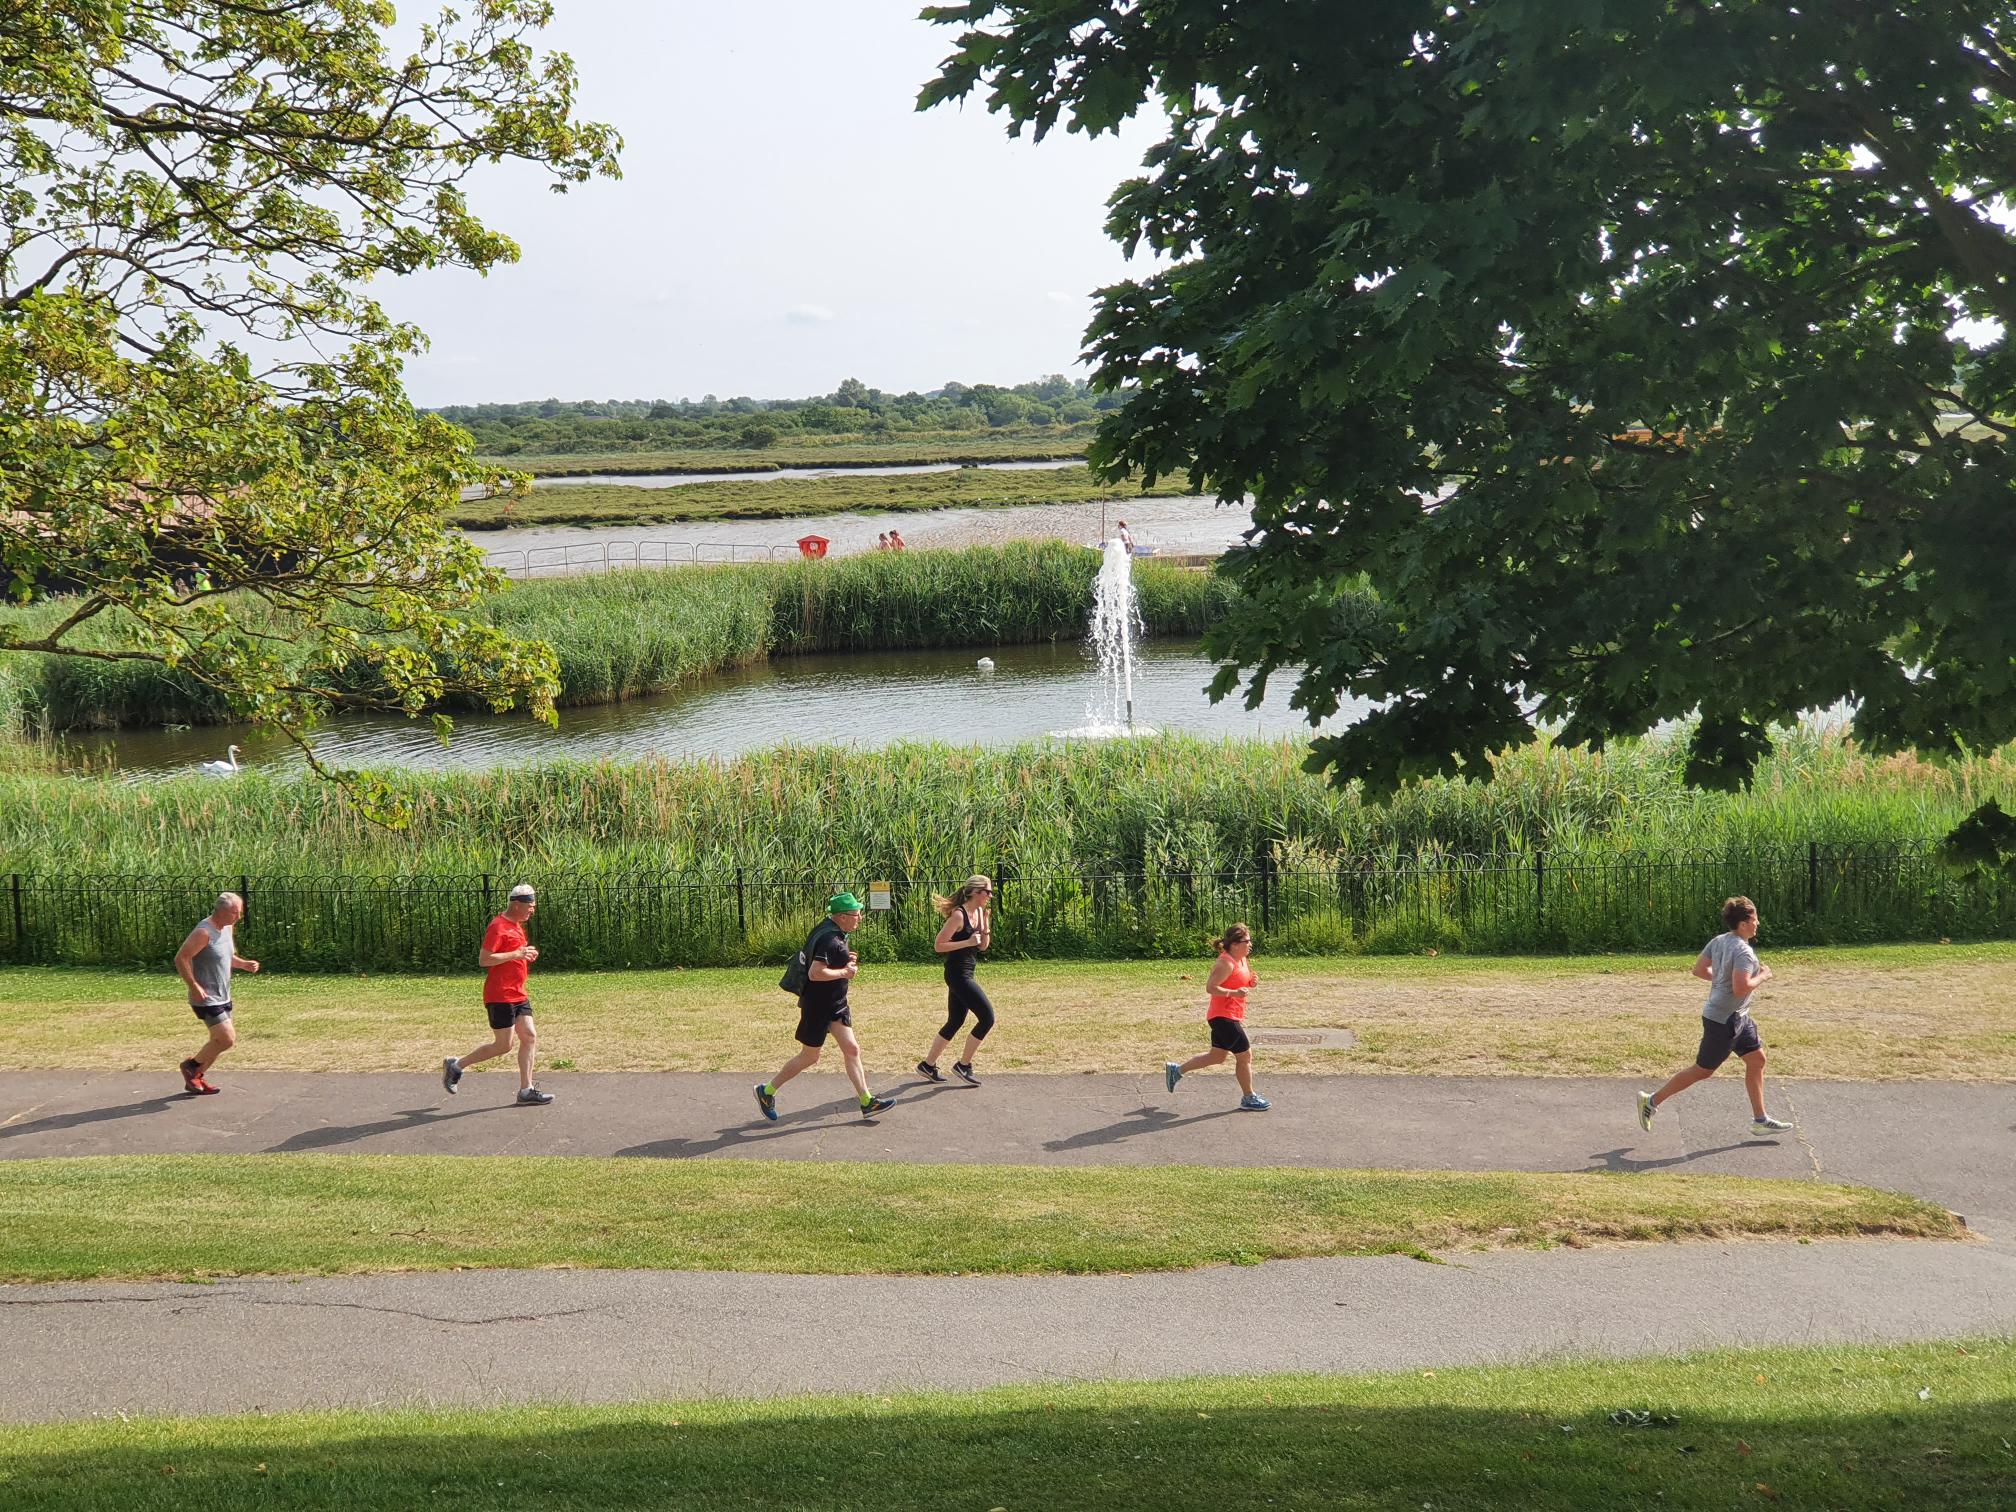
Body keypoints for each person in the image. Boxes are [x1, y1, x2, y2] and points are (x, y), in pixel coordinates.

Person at [1637, 896, 1793, 1137]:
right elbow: (1741, 987)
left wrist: (1722, 981)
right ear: (1743, 924)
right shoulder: (1744, 952)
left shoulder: (1720, 940)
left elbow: (1699, 969)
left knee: (1757, 1060)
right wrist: (1764, 975)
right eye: (1754, 919)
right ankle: (1652, 1101)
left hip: (1739, 1017)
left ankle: (1760, 1120)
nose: (1758, 923)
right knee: (1703, 1070)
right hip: (1724, 1021)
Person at [755, 892, 894, 1120]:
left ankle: (867, 1102)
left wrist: (844, 960)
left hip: (835, 1005)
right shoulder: (831, 939)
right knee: (810, 1057)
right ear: (841, 916)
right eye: (856, 914)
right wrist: (845, 971)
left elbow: (822, 960)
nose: (860, 917)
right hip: (818, 1007)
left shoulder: (829, 930)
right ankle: (766, 1091)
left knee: (852, 1049)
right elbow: (815, 972)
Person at [442, 882, 553, 1105]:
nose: (533, 909)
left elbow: (513, 955)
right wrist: (517, 953)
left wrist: (524, 955)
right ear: (516, 904)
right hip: (500, 995)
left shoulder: (516, 925)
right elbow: (484, 959)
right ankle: (456, 1065)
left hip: (518, 993)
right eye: (530, 905)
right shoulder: (498, 926)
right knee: (504, 1045)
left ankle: (526, 1090)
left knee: (529, 1036)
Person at [1164, 923, 1269, 1110]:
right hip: (1222, 1017)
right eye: (1247, 941)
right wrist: (1234, 993)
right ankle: (1249, 1097)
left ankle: (1176, 1070)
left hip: (1231, 1015)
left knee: (1217, 1056)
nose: (1250, 944)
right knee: (1245, 1056)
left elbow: (1242, 980)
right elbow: (1211, 988)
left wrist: (1252, 982)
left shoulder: (1242, 959)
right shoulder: (1225, 963)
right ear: (1235, 944)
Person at [173, 891, 258, 1094]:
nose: (238, 918)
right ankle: (191, 1068)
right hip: (205, 997)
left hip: (223, 994)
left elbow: (224, 957)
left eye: (240, 913)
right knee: (226, 1038)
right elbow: (181, 958)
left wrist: (244, 964)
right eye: (234, 913)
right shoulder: (203, 932)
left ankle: (196, 1076)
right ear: (220, 911)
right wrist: (194, 986)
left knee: (218, 1041)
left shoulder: (227, 927)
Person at [916, 875, 994, 1086]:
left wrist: (985, 924)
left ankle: (927, 1065)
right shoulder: (959, 915)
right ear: (976, 893)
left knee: (956, 1020)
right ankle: (963, 1065)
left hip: (967, 972)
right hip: (957, 974)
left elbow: (983, 946)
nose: (990, 895)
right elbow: (939, 945)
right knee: (987, 1018)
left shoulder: (978, 912)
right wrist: (967, 941)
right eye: (988, 892)